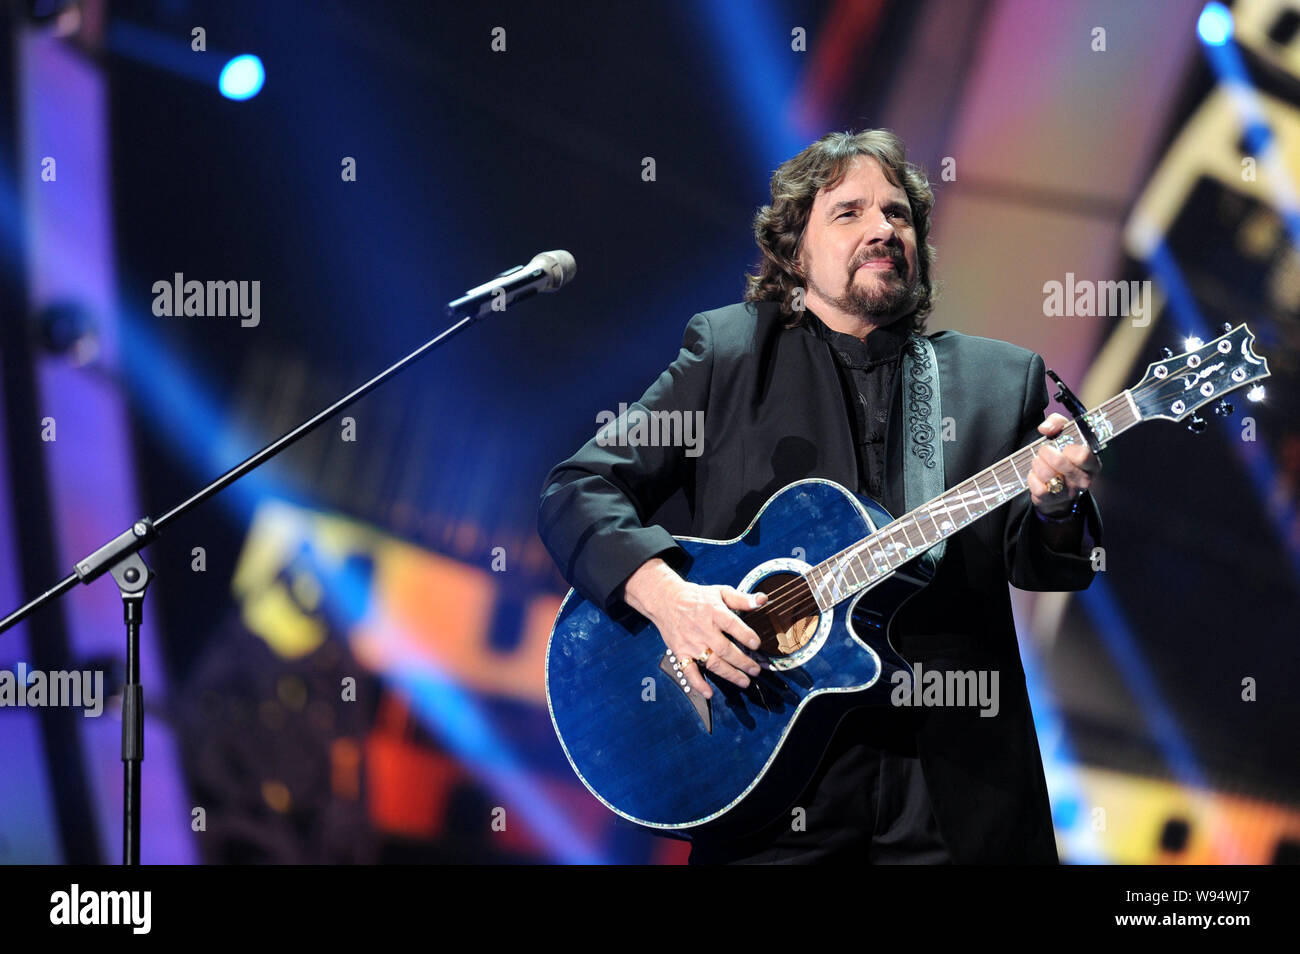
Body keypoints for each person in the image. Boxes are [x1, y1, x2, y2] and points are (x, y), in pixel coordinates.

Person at [537, 129, 1102, 864]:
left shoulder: (998, 381)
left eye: (898, 215)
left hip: (951, 791)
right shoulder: (731, 354)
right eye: (850, 213)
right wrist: (670, 599)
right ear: (793, 250)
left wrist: (1058, 506)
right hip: (764, 776)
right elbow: (577, 489)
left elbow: (1050, 563)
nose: (882, 230)